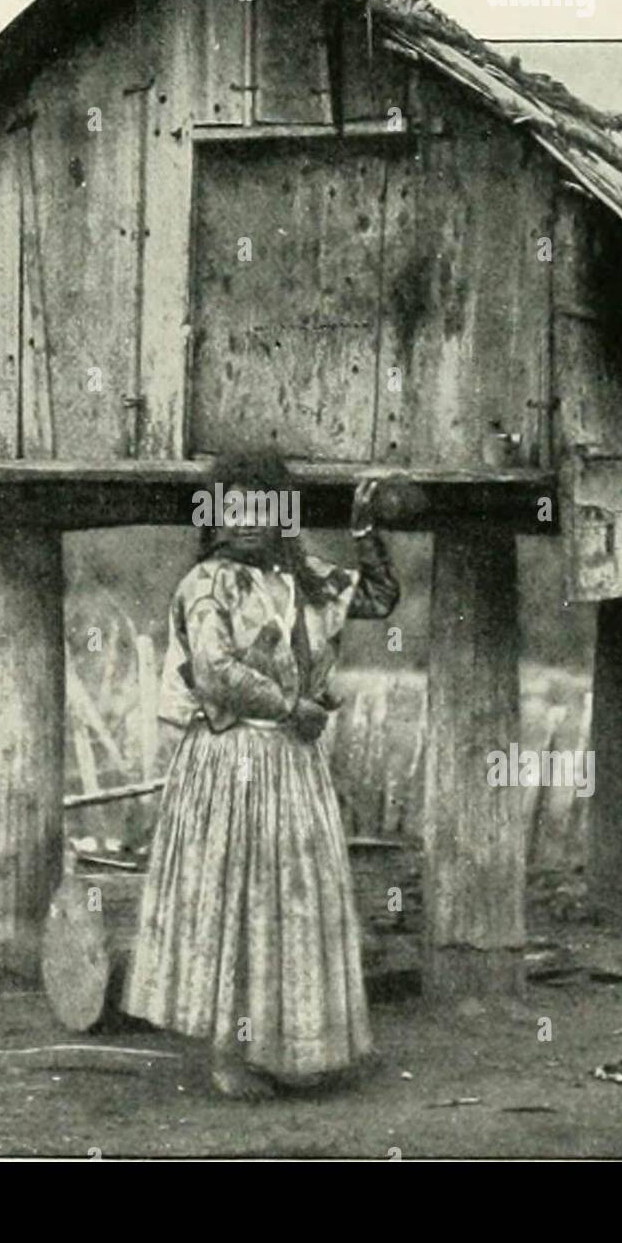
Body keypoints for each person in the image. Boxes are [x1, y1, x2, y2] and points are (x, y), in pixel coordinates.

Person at [122, 452, 400, 1098]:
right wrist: (287, 706)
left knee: (291, 901)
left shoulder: (302, 580)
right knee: (232, 900)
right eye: (232, 508)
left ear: (282, 516)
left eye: (261, 507)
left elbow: (380, 597)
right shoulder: (206, 585)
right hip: (230, 763)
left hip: (291, 765)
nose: (246, 521)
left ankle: (281, 1047)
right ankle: (227, 1054)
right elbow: (216, 671)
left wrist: (362, 530)